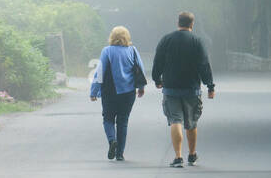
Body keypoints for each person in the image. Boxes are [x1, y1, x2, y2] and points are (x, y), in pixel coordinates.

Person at [150, 10, 216, 167]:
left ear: (178, 23)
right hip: (191, 88)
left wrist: (156, 79)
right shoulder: (197, 41)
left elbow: (157, 61)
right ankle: (192, 155)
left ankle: (178, 157)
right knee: (191, 123)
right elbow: (204, 64)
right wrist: (210, 85)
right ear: (192, 24)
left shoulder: (166, 39)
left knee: (175, 120)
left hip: (171, 88)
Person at [89, 26, 147, 161]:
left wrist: (94, 91)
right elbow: (140, 69)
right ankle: (120, 154)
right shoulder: (132, 50)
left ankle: (112, 141)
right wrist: (141, 87)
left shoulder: (107, 51)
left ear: (112, 37)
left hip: (109, 92)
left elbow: (99, 72)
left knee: (108, 119)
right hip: (128, 92)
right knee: (123, 121)